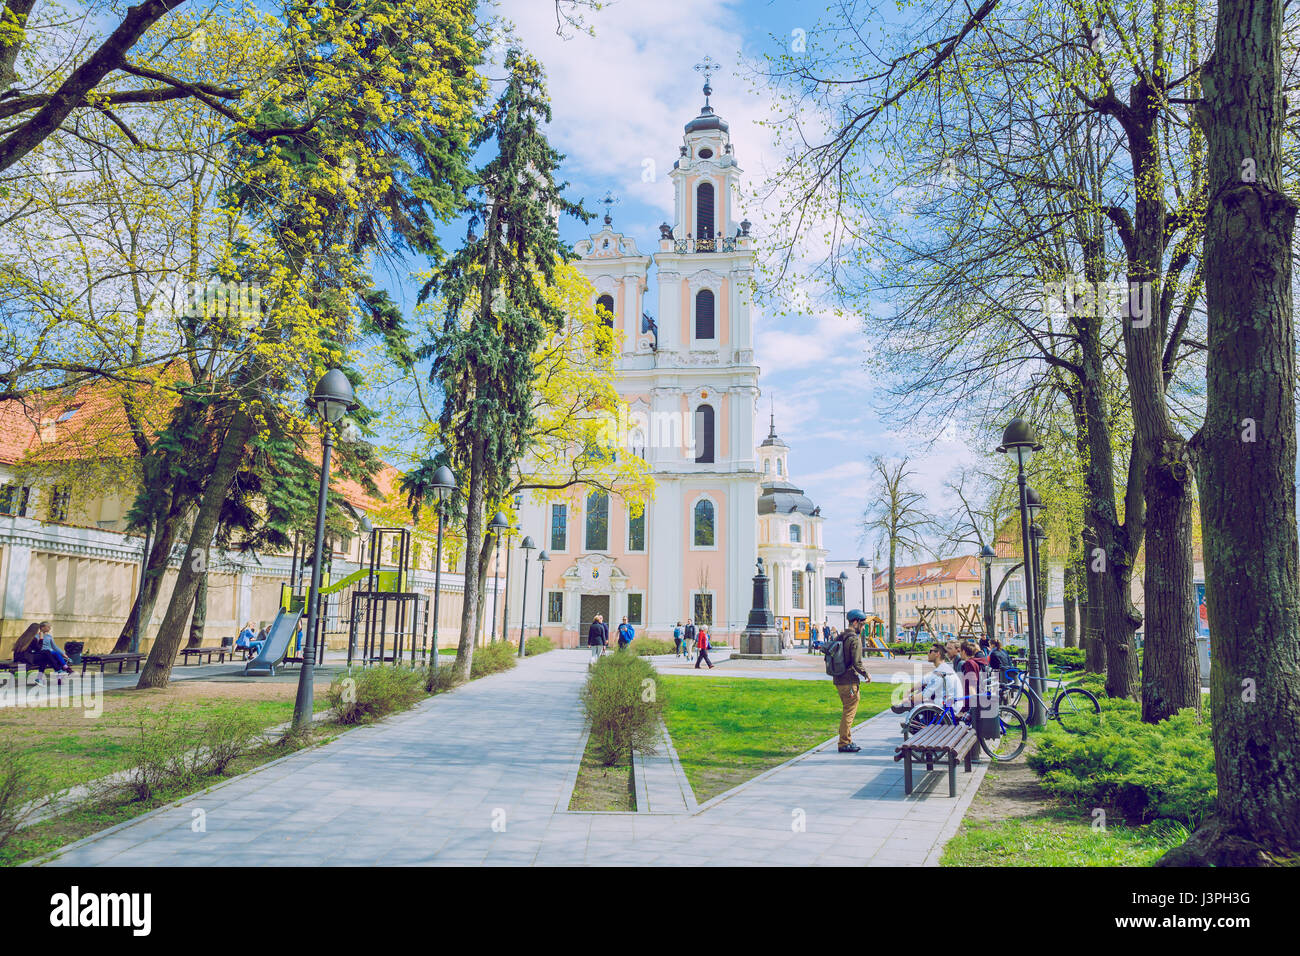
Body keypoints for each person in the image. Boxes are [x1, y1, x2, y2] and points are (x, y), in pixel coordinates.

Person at [832, 610, 873, 752]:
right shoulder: (854, 639)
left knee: (847, 711)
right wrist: (866, 674)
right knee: (849, 712)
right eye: (862, 625)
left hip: (838, 679)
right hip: (849, 681)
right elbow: (857, 662)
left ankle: (847, 740)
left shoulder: (841, 636)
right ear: (855, 622)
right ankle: (843, 743)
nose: (863, 628)